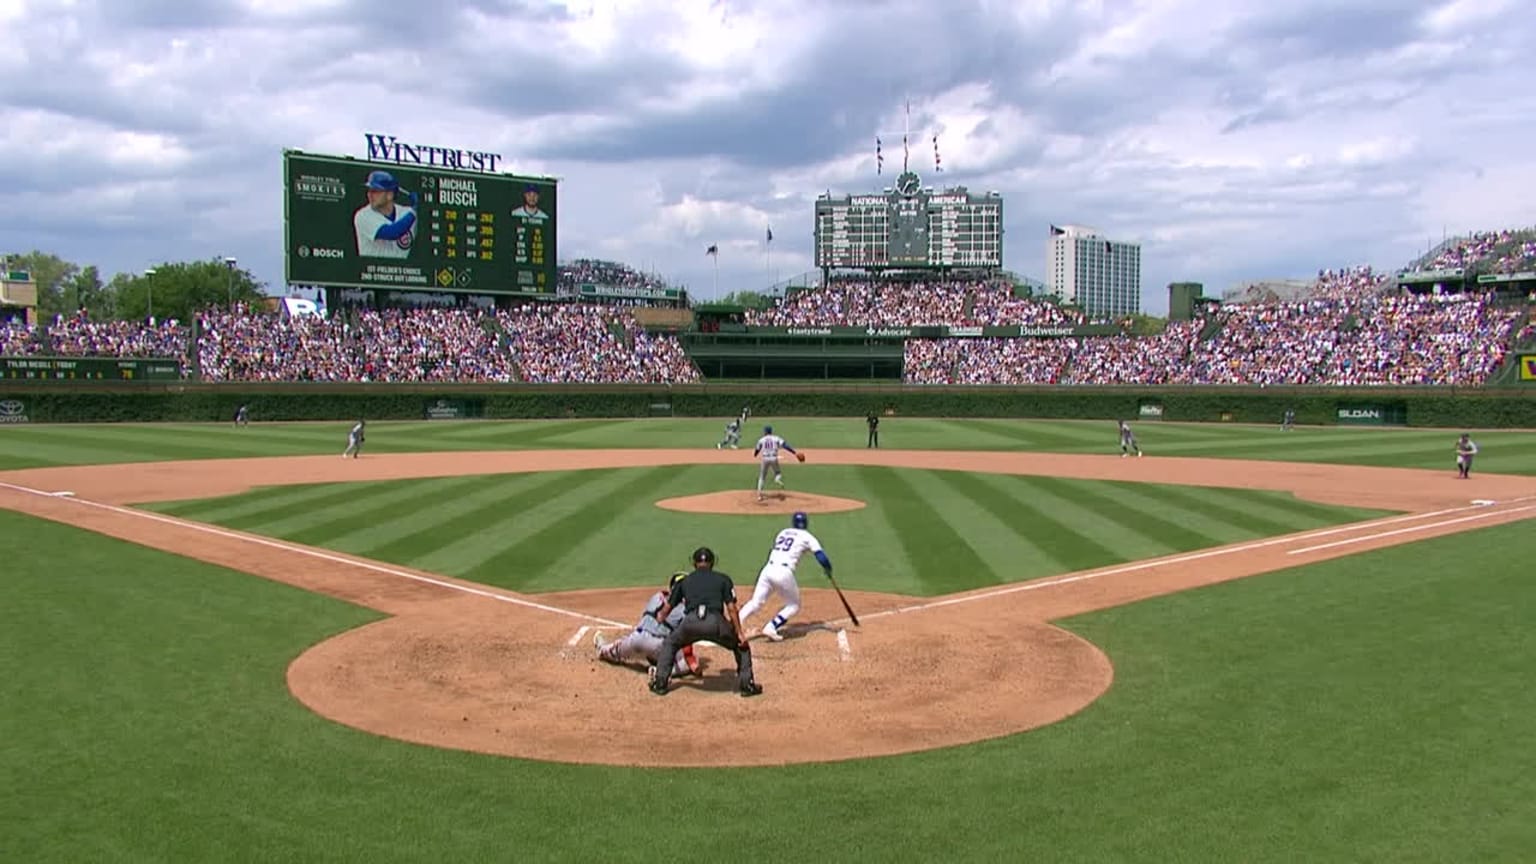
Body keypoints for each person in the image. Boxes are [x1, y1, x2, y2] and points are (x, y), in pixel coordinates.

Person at [648, 547, 762, 698]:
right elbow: (731, 609)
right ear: (712, 562)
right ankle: (747, 685)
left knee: (670, 643)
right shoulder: (723, 579)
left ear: (694, 563)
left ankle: (660, 683)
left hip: (690, 623)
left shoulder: (684, 581)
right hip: (715, 623)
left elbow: (667, 609)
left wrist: (659, 618)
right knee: (741, 646)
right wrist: (739, 634)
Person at [739, 511, 832, 642]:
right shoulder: (808, 537)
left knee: (756, 602)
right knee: (794, 605)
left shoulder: (783, 532)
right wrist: (828, 569)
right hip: (783, 573)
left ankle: (736, 623)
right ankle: (771, 626)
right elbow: (821, 557)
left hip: (767, 569)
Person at [594, 571, 701, 677]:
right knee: (684, 663)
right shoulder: (685, 609)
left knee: (614, 652)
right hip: (657, 645)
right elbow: (686, 642)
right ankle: (658, 670)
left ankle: (604, 649)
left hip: (636, 639)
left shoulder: (657, 596)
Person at [353, 170, 417, 259]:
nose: (369, 195)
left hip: (403, 271)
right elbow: (391, 232)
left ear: (389, 195)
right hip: (372, 271)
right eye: (369, 191)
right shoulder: (363, 215)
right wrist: (415, 211)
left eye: (375, 191)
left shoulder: (406, 213)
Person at [753, 424, 799, 501]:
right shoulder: (776, 438)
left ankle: (759, 495)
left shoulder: (761, 439)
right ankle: (777, 479)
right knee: (778, 473)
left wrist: (755, 454)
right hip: (774, 458)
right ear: (771, 431)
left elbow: (757, 449)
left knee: (762, 477)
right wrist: (794, 452)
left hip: (765, 458)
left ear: (765, 432)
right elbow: (785, 445)